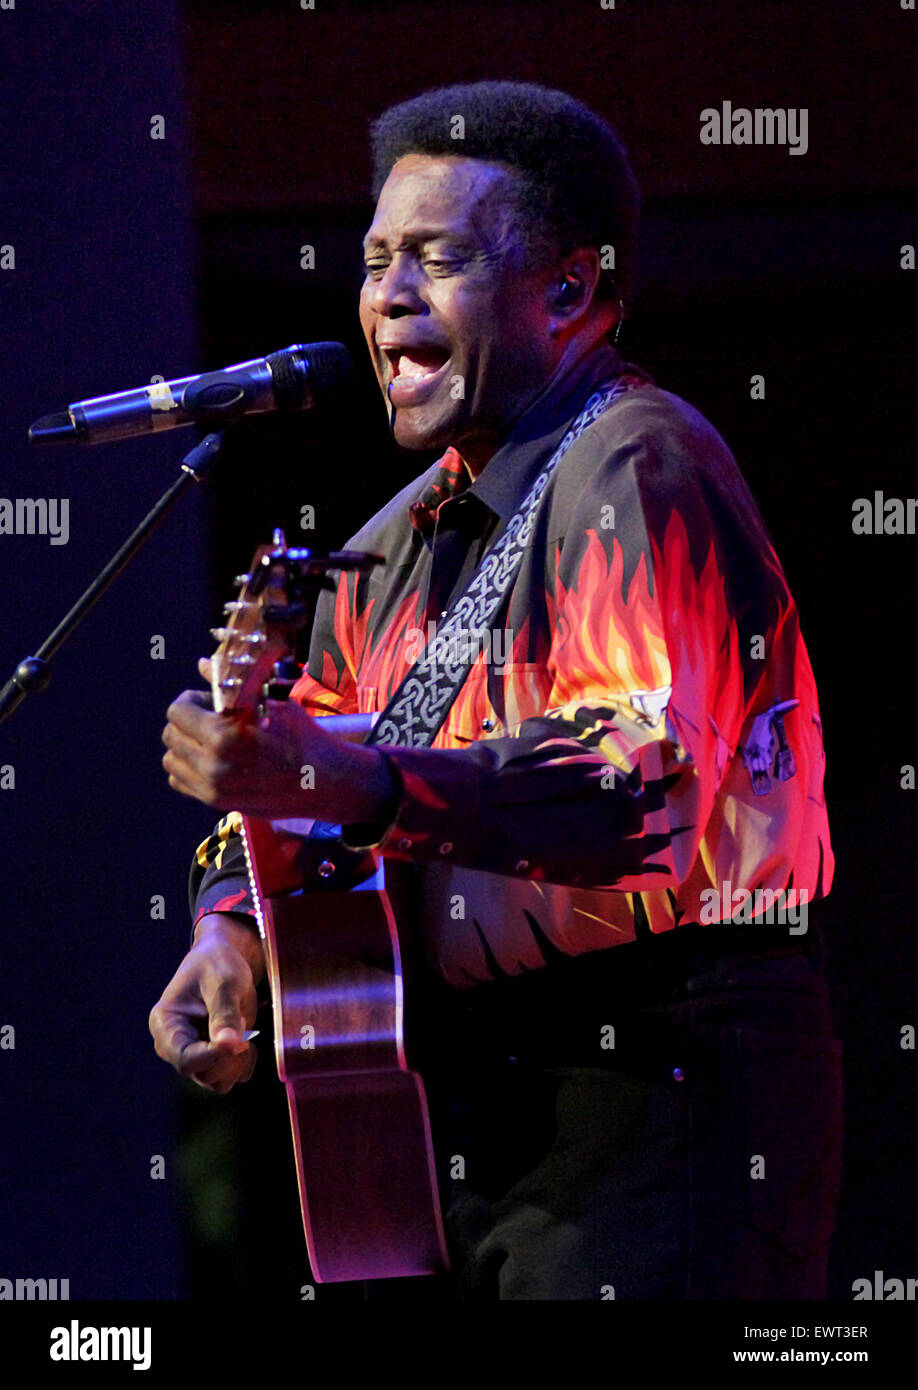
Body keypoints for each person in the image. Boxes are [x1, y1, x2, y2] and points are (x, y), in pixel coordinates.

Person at [151, 80, 842, 1300]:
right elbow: (302, 773)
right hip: (467, 1094)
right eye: (374, 262)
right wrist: (233, 929)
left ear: (568, 289)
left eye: (437, 259)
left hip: (658, 1070)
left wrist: (346, 776)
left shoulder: (639, 457)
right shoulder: (385, 546)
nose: (387, 297)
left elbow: (639, 789)